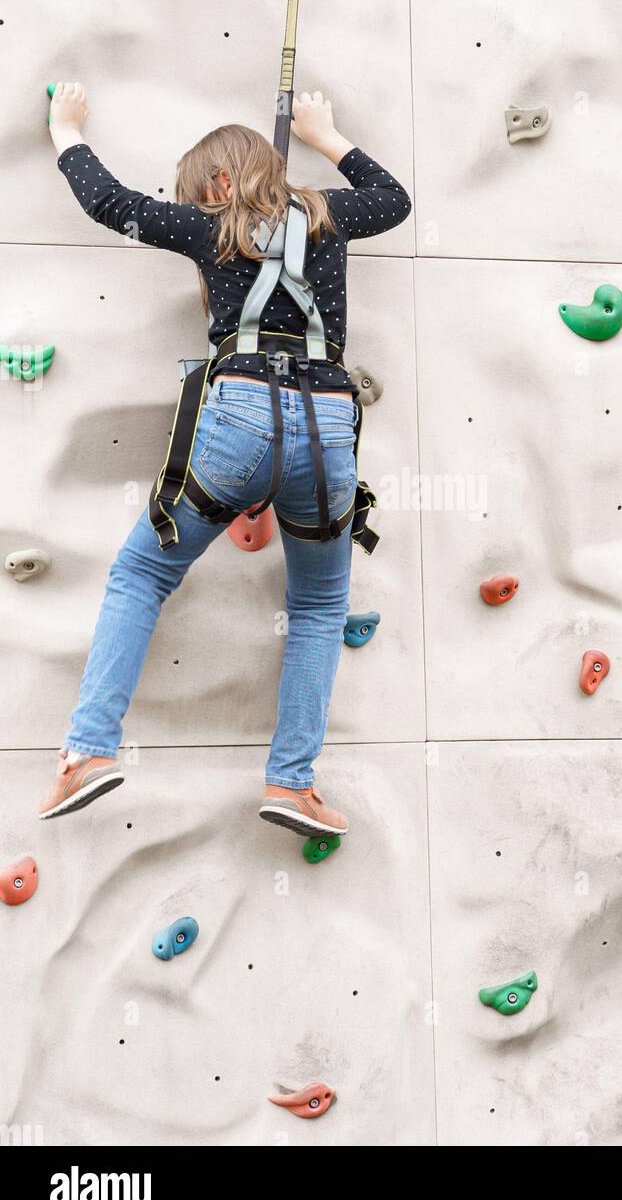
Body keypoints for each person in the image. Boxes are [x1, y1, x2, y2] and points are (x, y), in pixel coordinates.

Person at [37, 82, 411, 836]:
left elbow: (108, 202)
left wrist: (65, 129)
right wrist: (327, 134)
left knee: (143, 572)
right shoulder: (329, 216)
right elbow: (395, 197)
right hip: (330, 422)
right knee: (314, 608)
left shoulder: (208, 227)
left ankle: (88, 751)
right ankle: (291, 783)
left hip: (240, 415)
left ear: (216, 185)